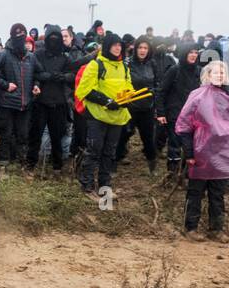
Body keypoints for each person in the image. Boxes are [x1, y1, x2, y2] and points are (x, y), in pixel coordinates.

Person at [175, 60, 229, 242]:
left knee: (218, 192)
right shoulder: (197, 95)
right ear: (207, 75)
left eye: (222, 73)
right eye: (215, 72)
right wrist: (190, 153)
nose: (219, 75)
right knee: (196, 192)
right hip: (202, 153)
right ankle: (190, 228)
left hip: (224, 154)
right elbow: (184, 125)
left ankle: (216, 229)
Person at [75, 31, 133, 199]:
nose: (117, 48)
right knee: (94, 151)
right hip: (98, 115)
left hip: (117, 116)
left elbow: (128, 85)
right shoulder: (96, 65)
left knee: (109, 152)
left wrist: (128, 98)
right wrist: (107, 101)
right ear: (107, 46)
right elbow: (83, 90)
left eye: (119, 45)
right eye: (114, 45)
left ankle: (105, 186)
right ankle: (87, 186)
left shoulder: (123, 66)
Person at [28, 24, 75, 174]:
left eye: (56, 38)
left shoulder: (65, 57)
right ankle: (31, 164)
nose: (53, 41)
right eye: (51, 38)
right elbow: (34, 73)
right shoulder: (39, 54)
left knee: (57, 136)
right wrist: (46, 77)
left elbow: (72, 75)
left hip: (59, 103)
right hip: (41, 102)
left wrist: (63, 77)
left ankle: (57, 166)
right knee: (36, 135)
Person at [0, 23, 32, 168]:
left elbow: (37, 74)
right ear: (12, 36)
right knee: (5, 135)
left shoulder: (30, 57)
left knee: (23, 135)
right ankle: (3, 164)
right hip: (7, 103)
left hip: (24, 104)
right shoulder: (3, 54)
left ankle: (22, 163)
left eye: (22, 34)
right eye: (17, 34)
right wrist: (5, 85)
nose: (20, 36)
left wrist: (37, 84)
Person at [156, 41, 200, 179]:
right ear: (184, 54)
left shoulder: (198, 71)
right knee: (175, 143)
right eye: (190, 52)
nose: (193, 55)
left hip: (192, 114)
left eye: (195, 52)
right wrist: (161, 112)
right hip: (175, 112)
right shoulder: (175, 70)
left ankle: (186, 171)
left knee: (189, 144)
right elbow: (161, 92)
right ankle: (173, 172)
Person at [116, 35, 160, 173]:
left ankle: (152, 166)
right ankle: (114, 164)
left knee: (148, 137)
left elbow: (158, 82)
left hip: (147, 107)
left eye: (145, 48)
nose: (143, 50)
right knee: (123, 135)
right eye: (140, 47)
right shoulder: (127, 63)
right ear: (135, 49)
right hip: (130, 106)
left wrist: (154, 91)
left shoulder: (152, 64)